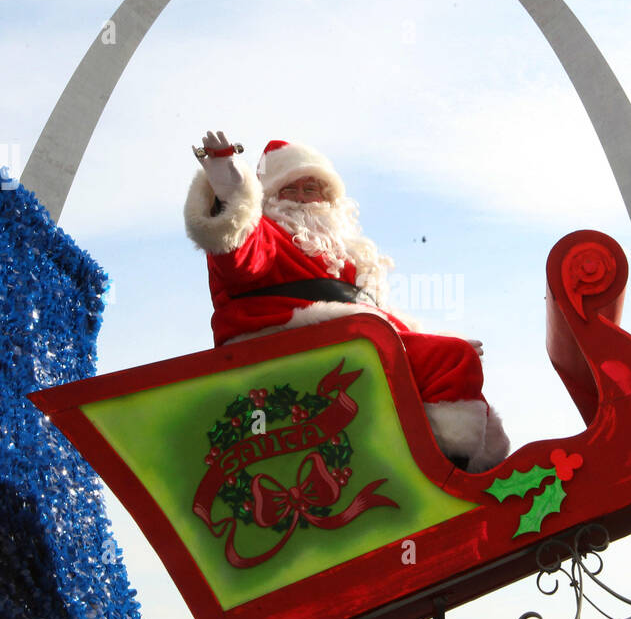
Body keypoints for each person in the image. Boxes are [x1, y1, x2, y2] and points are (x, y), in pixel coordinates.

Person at [184, 130, 509, 472]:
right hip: (293, 348)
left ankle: (468, 469)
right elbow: (238, 253)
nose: (301, 199)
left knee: (454, 359)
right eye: (289, 190)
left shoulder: (345, 256)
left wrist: (428, 342)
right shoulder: (267, 234)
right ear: (268, 198)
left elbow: (370, 313)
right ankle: (445, 474)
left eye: (311, 189)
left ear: (329, 199)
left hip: (351, 342)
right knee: (449, 357)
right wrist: (231, 193)